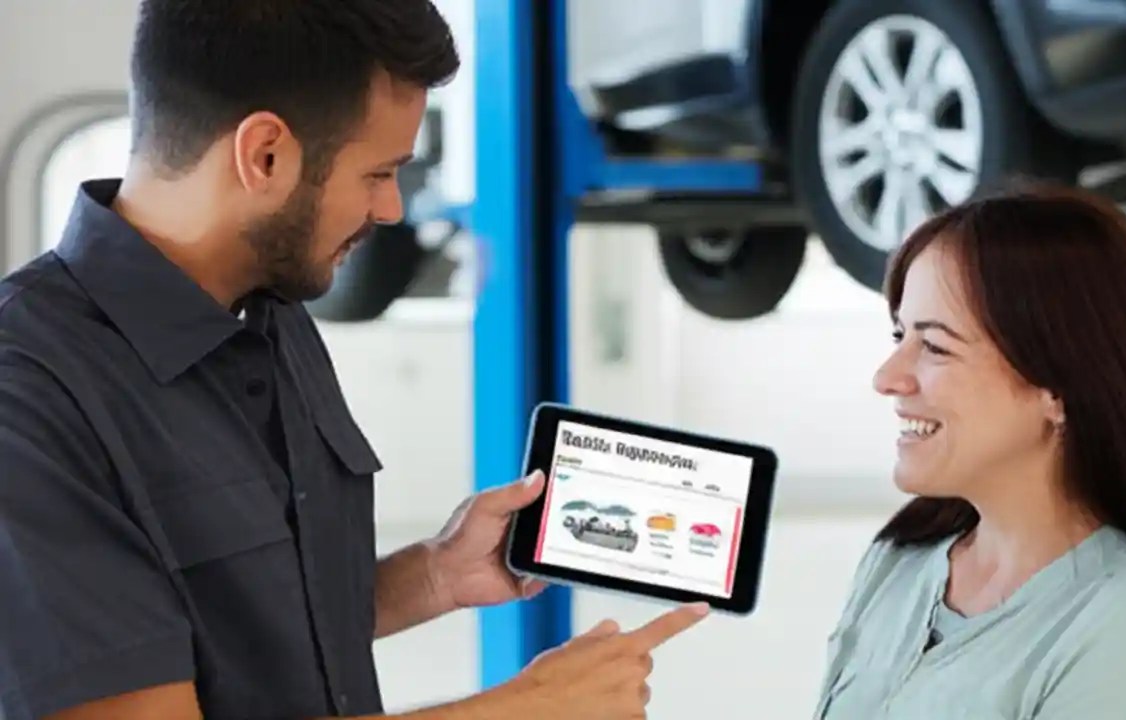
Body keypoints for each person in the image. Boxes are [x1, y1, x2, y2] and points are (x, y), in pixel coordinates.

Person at [0, 1, 707, 719]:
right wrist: (529, 708)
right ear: (265, 154)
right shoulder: (28, 396)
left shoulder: (271, 316)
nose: (392, 208)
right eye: (379, 173)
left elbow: (243, 632)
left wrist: (433, 575)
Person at [813, 183, 1126, 719]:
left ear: (1056, 388)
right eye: (898, 337)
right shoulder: (897, 562)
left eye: (934, 346)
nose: (888, 378)